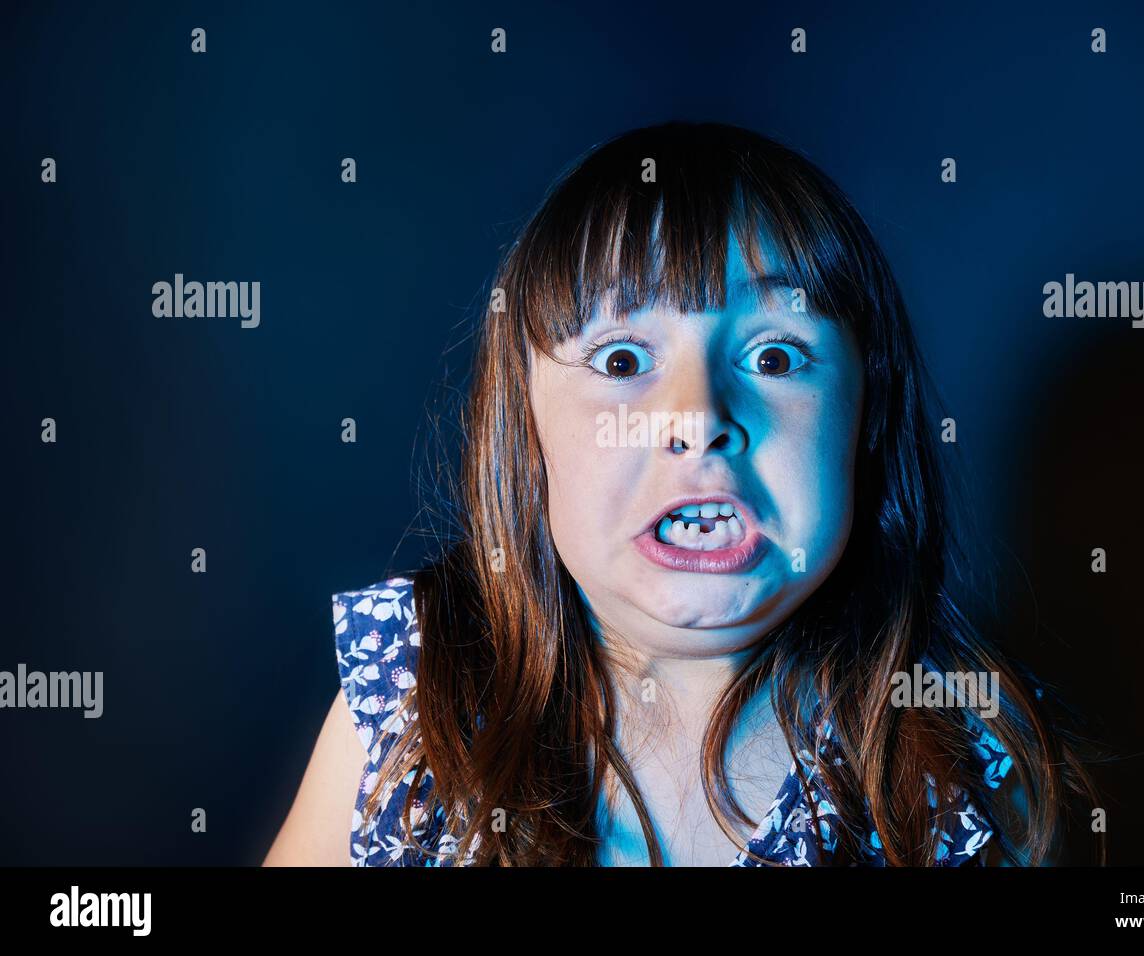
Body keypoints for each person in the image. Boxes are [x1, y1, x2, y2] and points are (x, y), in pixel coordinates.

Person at [264, 121, 1100, 867]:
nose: (698, 419)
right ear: (527, 433)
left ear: (867, 422)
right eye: (623, 361)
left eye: (775, 358)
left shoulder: (962, 767)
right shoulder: (419, 704)